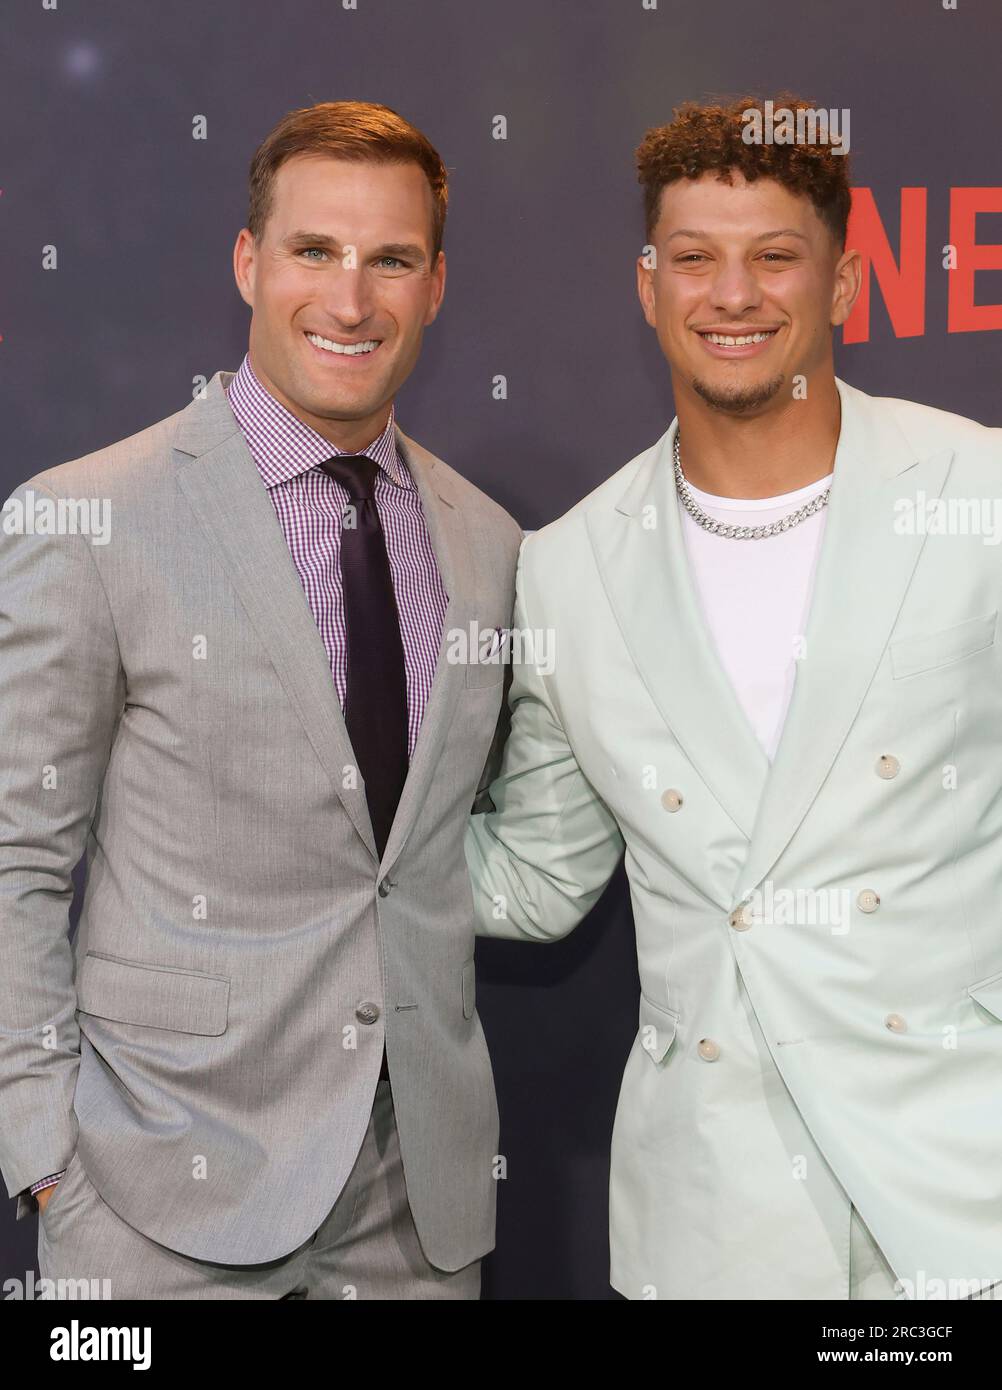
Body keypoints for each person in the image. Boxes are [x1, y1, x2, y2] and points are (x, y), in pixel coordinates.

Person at [465, 93, 1002, 1301]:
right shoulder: (569, 564)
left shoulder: (980, 492)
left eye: (775, 258)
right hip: (717, 1202)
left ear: (847, 283)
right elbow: (545, 875)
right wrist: (316, 857)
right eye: (696, 260)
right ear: (648, 284)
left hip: (967, 1179)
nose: (735, 296)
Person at [0, 99, 520, 1299]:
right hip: (150, 1205)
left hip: (414, 1213)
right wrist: (43, 1150)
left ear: (435, 285)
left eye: (390, 259)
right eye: (314, 251)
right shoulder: (91, 517)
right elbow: (18, 855)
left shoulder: (485, 542)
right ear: (248, 261)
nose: (350, 300)